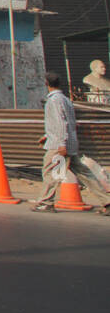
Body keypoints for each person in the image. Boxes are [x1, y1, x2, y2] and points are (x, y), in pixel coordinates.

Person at [33, 71, 110, 214]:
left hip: (59, 145)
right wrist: (47, 136)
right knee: (84, 174)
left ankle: (45, 202)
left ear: (46, 84)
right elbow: (70, 122)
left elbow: (61, 123)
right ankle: (107, 201)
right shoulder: (65, 99)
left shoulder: (54, 100)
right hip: (69, 143)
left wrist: (61, 143)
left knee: (51, 173)